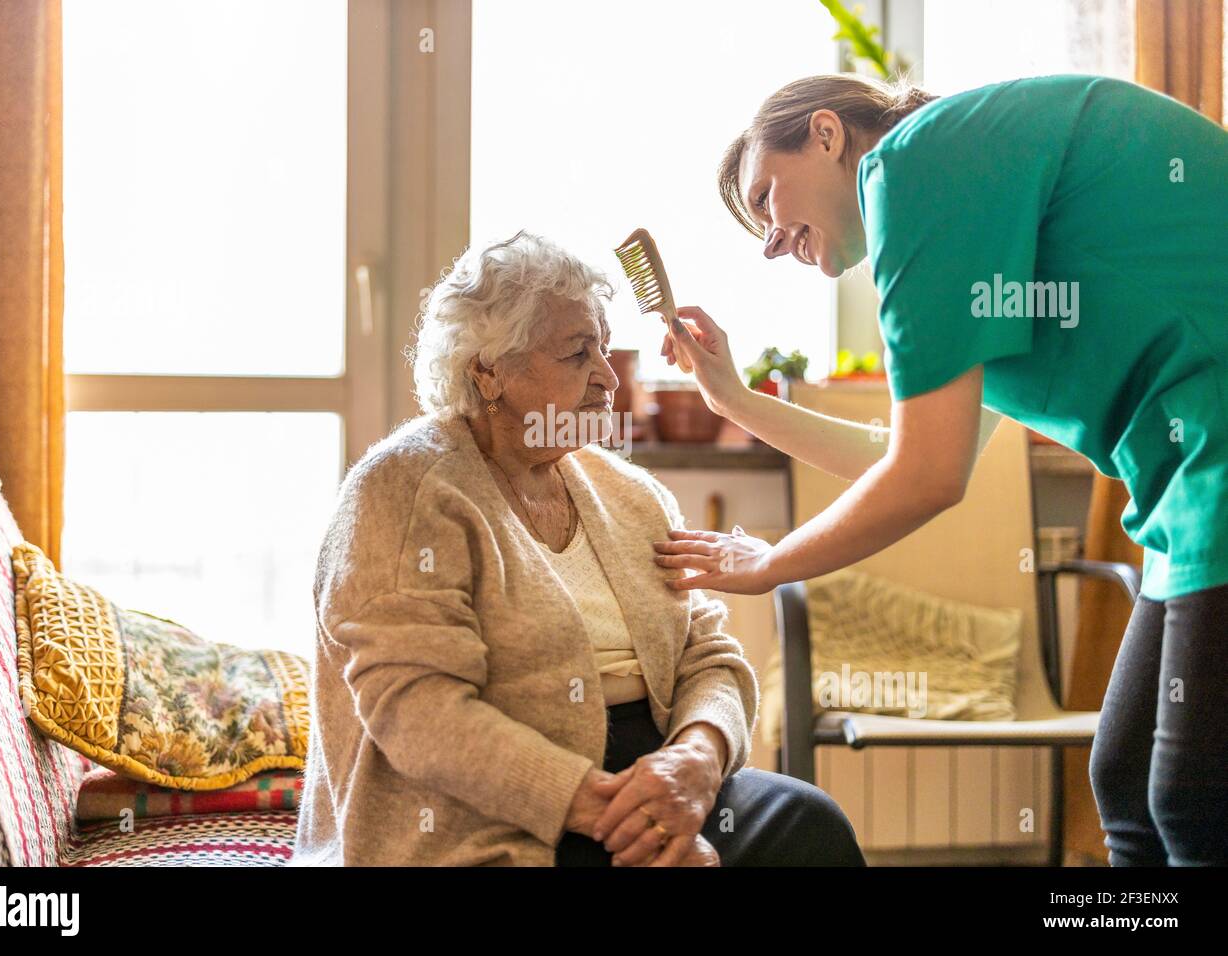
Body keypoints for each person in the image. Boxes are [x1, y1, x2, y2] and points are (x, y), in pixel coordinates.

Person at [653, 72, 1228, 866]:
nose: (769, 240)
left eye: (765, 200)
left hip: (1215, 458)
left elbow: (927, 477)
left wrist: (771, 564)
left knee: (1193, 803)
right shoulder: (965, 204)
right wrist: (735, 401)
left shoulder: (915, 167)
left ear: (826, 135)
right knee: (1128, 787)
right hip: (1190, 486)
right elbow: (903, 453)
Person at [290, 229, 865, 866]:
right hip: (481, 809)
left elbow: (709, 656)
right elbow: (419, 712)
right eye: (577, 354)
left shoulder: (628, 493)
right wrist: (614, 814)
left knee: (807, 824)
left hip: (657, 779)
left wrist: (695, 765)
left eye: (606, 350)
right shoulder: (407, 486)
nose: (607, 379)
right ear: (489, 372)